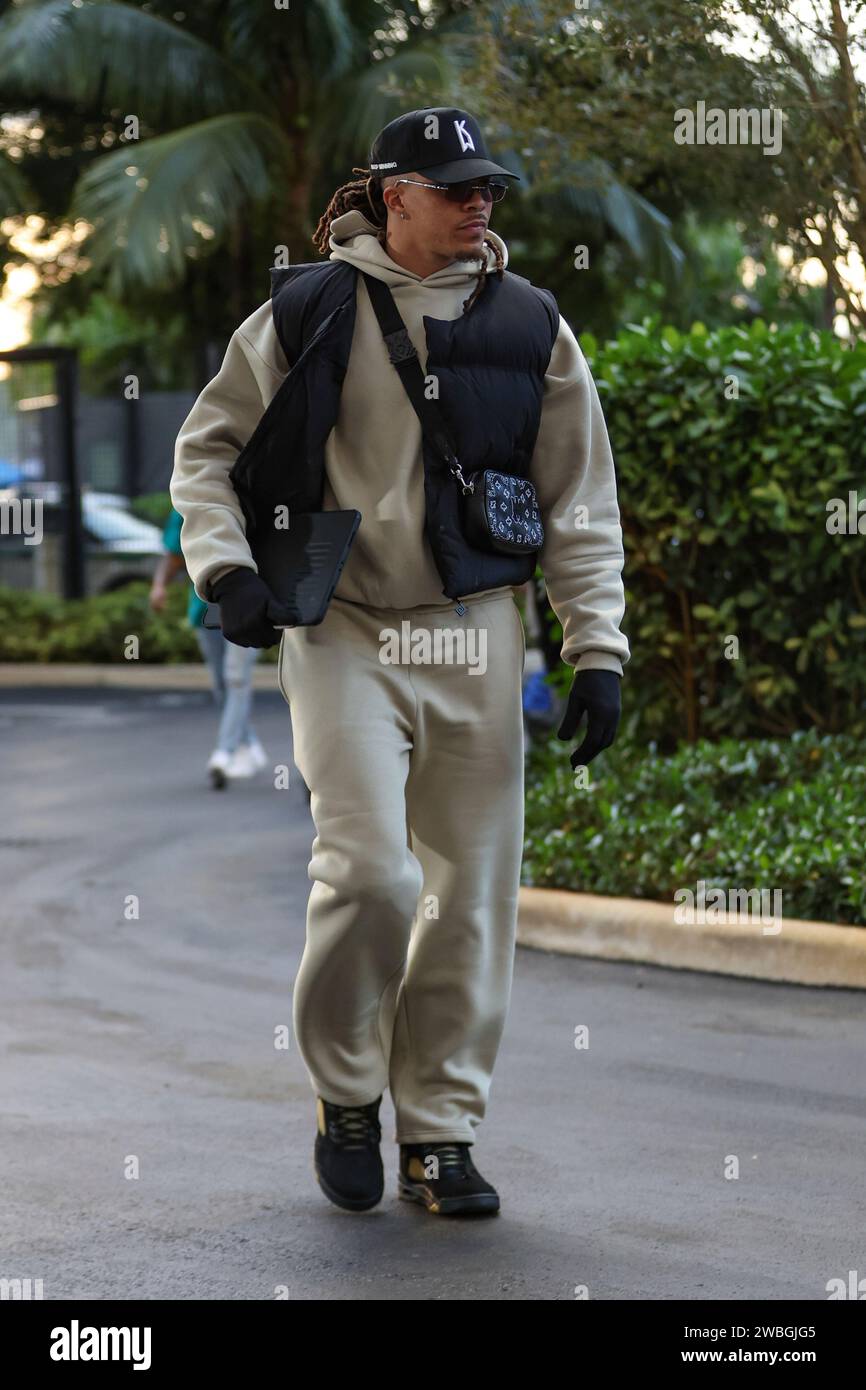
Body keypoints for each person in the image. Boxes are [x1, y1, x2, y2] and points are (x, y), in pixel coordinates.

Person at [170, 107, 630, 1216]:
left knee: (469, 896)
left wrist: (595, 649)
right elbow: (207, 450)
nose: (479, 202)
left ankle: (440, 1134)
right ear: (392, 196)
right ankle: (344, 1090)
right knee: (371, 873)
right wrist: (226, 571)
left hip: (475, 626)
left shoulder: (531, 325)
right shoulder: (304, 310)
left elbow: (579, 503)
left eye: (489, 188)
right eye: (454, 185)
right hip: (343, 626)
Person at [150, 505, 267, 789]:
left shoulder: (260, 489)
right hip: (206, 608)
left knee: (235, 679)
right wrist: (159, 585)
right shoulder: (192, 495)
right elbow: (175, 551)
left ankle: (224, 753)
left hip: (251, 606)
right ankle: (249, 747)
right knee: (222, 685)